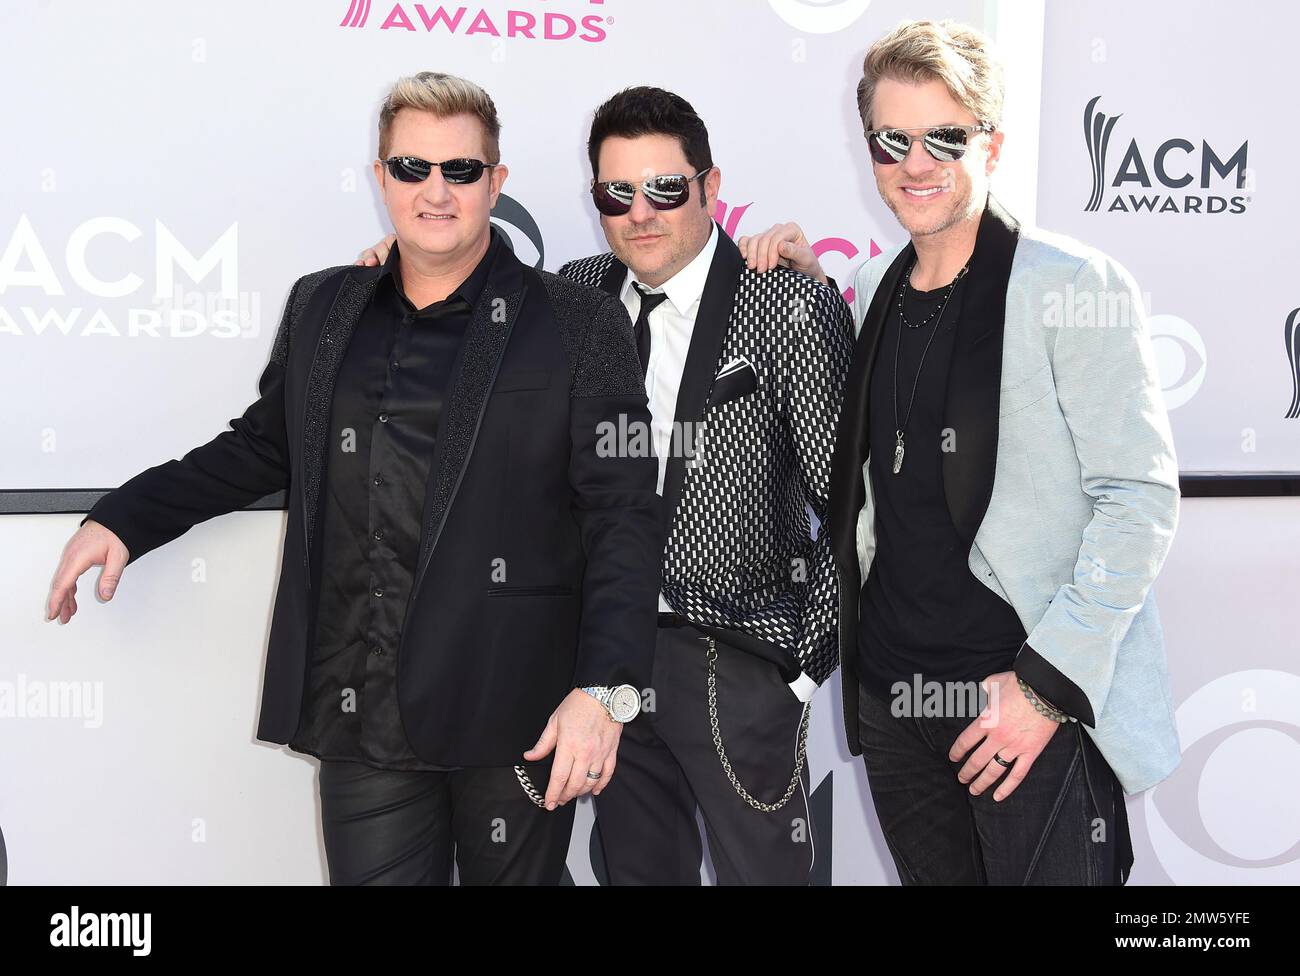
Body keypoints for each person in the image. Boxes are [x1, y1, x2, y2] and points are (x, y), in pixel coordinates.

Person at [45, 71, 662, 885]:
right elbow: (259, 449)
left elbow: (624, 515)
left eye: (460, 170)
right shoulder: (323, 307)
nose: (434, 191)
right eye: (411, 169)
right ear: (381, 179)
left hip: (517, 710)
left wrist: (605, 689)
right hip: (361, 709)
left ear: (496, 182)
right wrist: (123, 517)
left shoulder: (577, 320)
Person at [360, 86, 853, 884]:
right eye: (615, 193)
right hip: (600, 662)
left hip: (734, 657)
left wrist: (798, 668)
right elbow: (466, 301)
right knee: (632, 871)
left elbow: (848, 504)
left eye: (665, 188)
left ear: (710, 187)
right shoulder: (576, 293)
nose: (641, 213)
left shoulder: (786, 301)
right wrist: (402, 266)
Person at [742, 18, 1181, 884]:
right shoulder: (872, 287)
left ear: (995, 143)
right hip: (897, 701)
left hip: (1023, 704)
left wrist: (1046, 688)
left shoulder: (1071, 286)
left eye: (947, 136)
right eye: (893, 139)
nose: (917, 162)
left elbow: (1140, 501)